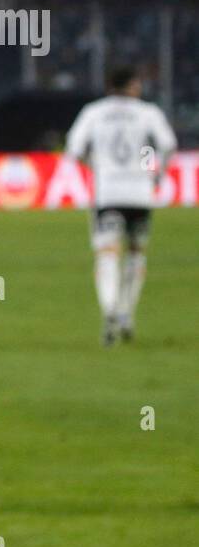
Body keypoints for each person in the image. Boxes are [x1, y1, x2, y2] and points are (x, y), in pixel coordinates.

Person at [65, 66, 177, 345]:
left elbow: (74, 147)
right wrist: (157, 172)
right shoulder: (147, 112)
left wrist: (95, 167)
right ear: (133, 86)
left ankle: (110, 311)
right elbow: (168, 143)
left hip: (109, 192)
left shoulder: (94, 112)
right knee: (136, 253)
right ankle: (127, 312)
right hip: (140, 192)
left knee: (107, 253)